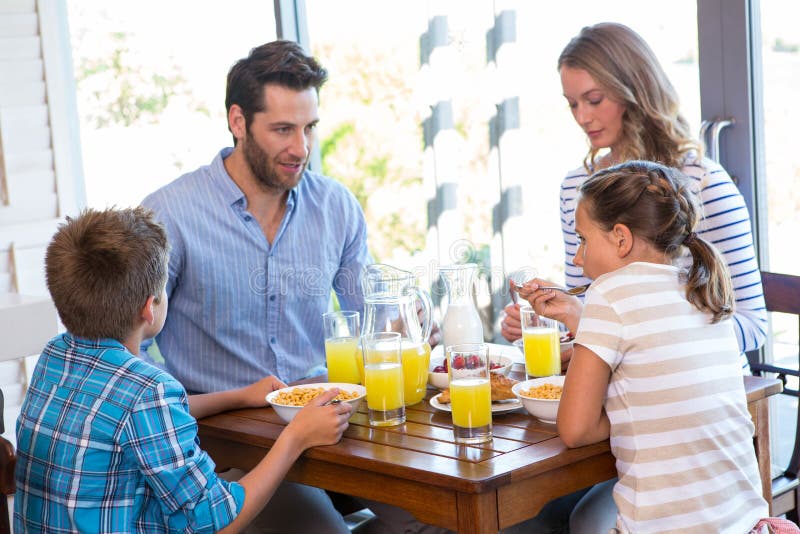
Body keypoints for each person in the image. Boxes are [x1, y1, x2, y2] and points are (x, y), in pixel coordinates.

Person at [140, 40, 442, 534]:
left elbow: (372, 319)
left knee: (444, 515)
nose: (300, 148)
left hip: (334, 423)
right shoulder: (170, 216)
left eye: (308, 128)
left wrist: (409, 326)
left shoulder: (336, 207)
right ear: (238, 122)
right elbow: (131, 356)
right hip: (230, 449)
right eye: (283, 129)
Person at [14, 207, 353, 533]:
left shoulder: (56, 355)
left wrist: (239, 397)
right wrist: (296, 437)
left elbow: (133, 415)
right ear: (150, 307)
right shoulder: (147, 391)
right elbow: (217, 523)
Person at [527, 160, 769, 532]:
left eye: (583, 239)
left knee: (561, 520)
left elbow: (575, 429)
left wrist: (631, 414)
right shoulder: (702, 288)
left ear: (621, 238)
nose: (577, 257)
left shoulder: (608, 292)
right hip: (744, 521)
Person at [501, 22, 766, 361]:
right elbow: (590, 310)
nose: (583, 117)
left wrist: (648, 339)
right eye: (572, 104)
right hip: (612, 384)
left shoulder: (704, 183)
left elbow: (752, 324)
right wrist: (551, 318)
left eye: (594, 100)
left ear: (635, 91)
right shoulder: (575, 188)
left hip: (700, 384)